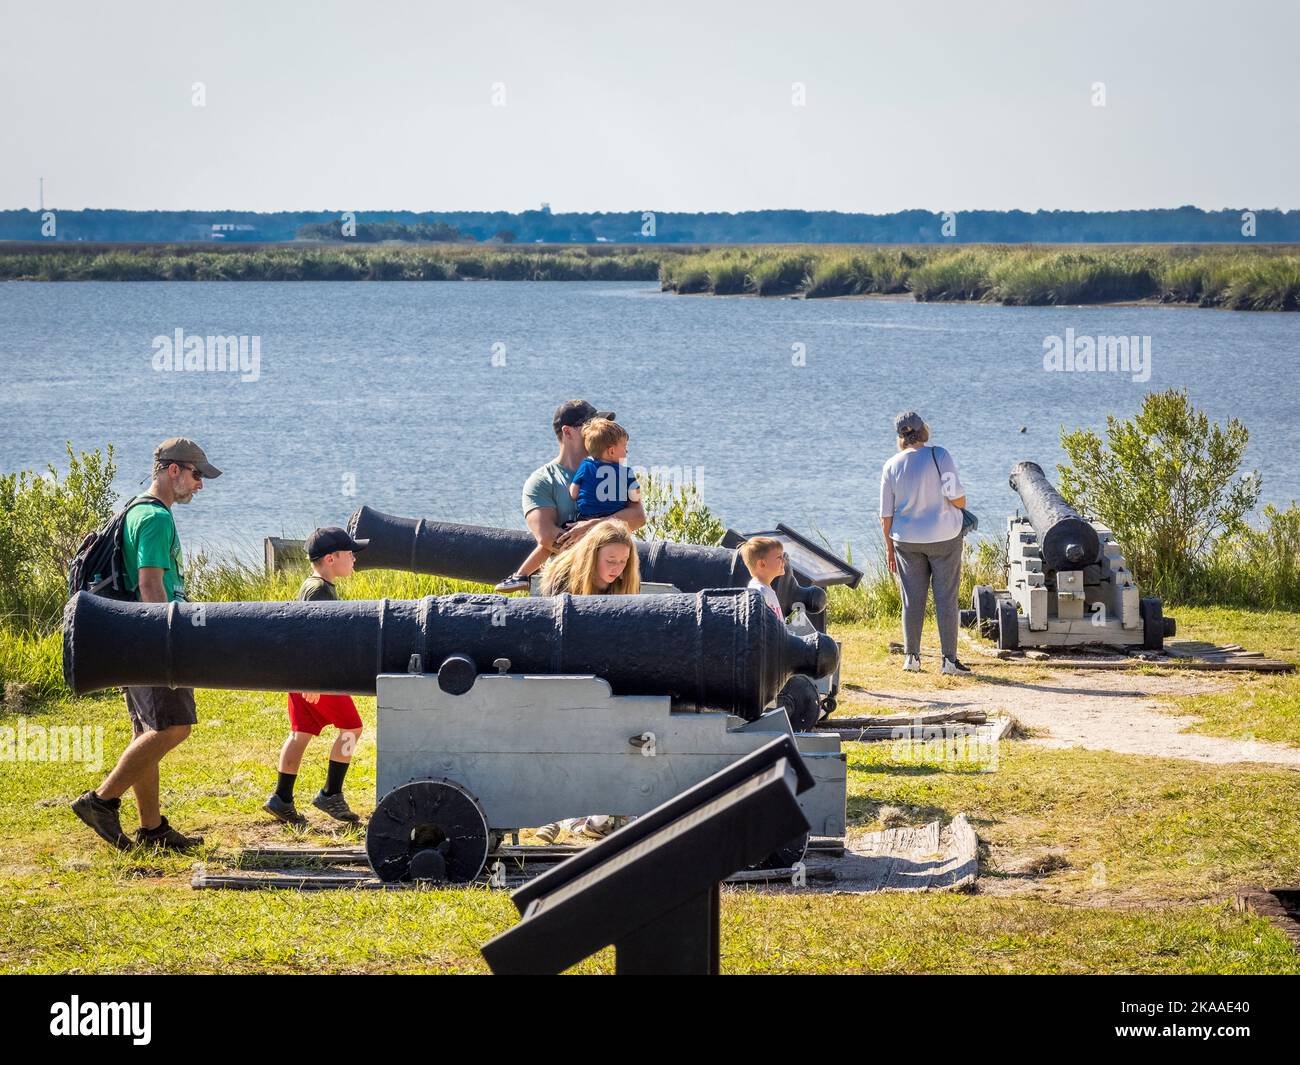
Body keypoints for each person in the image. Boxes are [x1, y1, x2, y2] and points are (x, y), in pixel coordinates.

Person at [72, 437, 220, 852]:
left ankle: (152, 829)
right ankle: (100, 801)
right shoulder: (156, 518)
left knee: (149, 731)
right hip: (151, 639)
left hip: (128, 636)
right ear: (173, 470)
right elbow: (150, 583)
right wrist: (166, 644)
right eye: (196, 475)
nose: (200, 485)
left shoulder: (135, 509)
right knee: (174, 727)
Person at [534, 520, 640, 842]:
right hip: (565, 668)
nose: (617, 569)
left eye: (623, 562)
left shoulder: (623, 584)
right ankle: (557, 813)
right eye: (610, 561)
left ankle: (600, 809)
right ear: (592, 555)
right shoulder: (562, 580)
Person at [263, 527, 371, 827]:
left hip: (302, 677)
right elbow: (306, 637)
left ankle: (281, 798)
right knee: (352, 729)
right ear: (330, 558)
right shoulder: (319, 591)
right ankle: (331, 794)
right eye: (349, 554)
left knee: (301, 734)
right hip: (316, 679)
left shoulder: (317, 585)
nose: (354, 559)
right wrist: (312, 680)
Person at [495, 400, 646, 593]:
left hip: (616, 580)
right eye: (590, 425)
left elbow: (637, 517)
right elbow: (548, 537)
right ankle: (521, 576)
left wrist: (590, 526)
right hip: (568, 583)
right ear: (567, 432)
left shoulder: (615, 471)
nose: (600, 430)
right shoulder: (542, 481)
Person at [879, 411, 972, 676]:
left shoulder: (891, 465)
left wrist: (889, 548)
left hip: (906, 540)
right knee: (946, 597)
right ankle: (949, 662)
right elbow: (958, 498)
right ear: (923, 431)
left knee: (912, 599)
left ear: (900, 437)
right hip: (944, 537)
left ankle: (912, 658)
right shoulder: (939, 455)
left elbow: (886, 515)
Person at [568, 418, 641, 520]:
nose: (627, 451)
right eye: (625, 447)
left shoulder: (585, 466)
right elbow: (635, 498)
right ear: (611, 451)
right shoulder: (626, 472)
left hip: (586, 519)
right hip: (613, 521)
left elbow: (573, 494)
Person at [740, 536, 786, 621]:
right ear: (762, 564)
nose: (784, 560)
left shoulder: (765, 588)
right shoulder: (760, 592)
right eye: (779, 557)